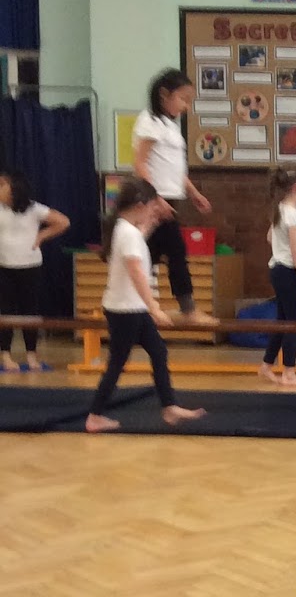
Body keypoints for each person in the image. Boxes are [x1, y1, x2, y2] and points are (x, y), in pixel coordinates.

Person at [85, 179, 206, 434]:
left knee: (158, 351)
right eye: (152, 207)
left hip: (131, 308)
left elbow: (136, 245)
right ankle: (95, 415)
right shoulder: (127, 232)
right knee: (117, 362)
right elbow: (136, 272)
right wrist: (154, 307)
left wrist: (150, 224)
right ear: (140, 206)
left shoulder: (124, 228)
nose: (153, 211)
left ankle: (169, 406)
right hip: (125, 310)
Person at [132, 68, 216, 327]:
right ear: (164, 95)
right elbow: (140, 163)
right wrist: (156, 199)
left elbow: (174, 169)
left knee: (150, 254)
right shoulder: (150, 122)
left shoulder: (170, 126)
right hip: (154, 201)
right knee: (174, 251)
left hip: (169, 199)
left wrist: (193, 193)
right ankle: (186, 308)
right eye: (183, 99)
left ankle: (140, 307)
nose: (186, 106)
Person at [0, 168, 70, 373]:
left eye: (2, 185)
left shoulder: (34, 209)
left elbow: (63, 222)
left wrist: (41, 236)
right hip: (4, 267)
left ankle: (32, 356)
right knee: (6, 312)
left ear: (14, 188)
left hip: (30, 267)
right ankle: (6, 356)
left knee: (30, 312)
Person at [259, 167, 296, 389]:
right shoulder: (293, 216)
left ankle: (266, 365)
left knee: (283, 321)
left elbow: (269, 237)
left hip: (278, 270)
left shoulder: (280, 210)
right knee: (294, 323)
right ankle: (289, 373)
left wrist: (280, 246)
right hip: (289, 272)